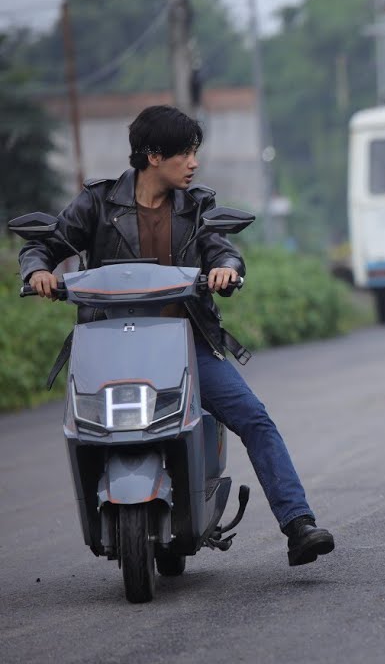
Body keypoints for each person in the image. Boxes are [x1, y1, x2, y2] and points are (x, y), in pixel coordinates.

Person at [19, 105, 335, 567]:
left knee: (254, 418)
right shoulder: (98, 203)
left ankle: (298, 524)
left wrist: (226, 269)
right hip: (110, 348)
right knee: (85, 432)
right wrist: (39, 270)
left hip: (186, 347)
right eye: (185, 153)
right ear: (153, 156)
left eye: (194, 153)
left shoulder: (197, 206)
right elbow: (43, 245)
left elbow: (222, 250)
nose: (194, 162)